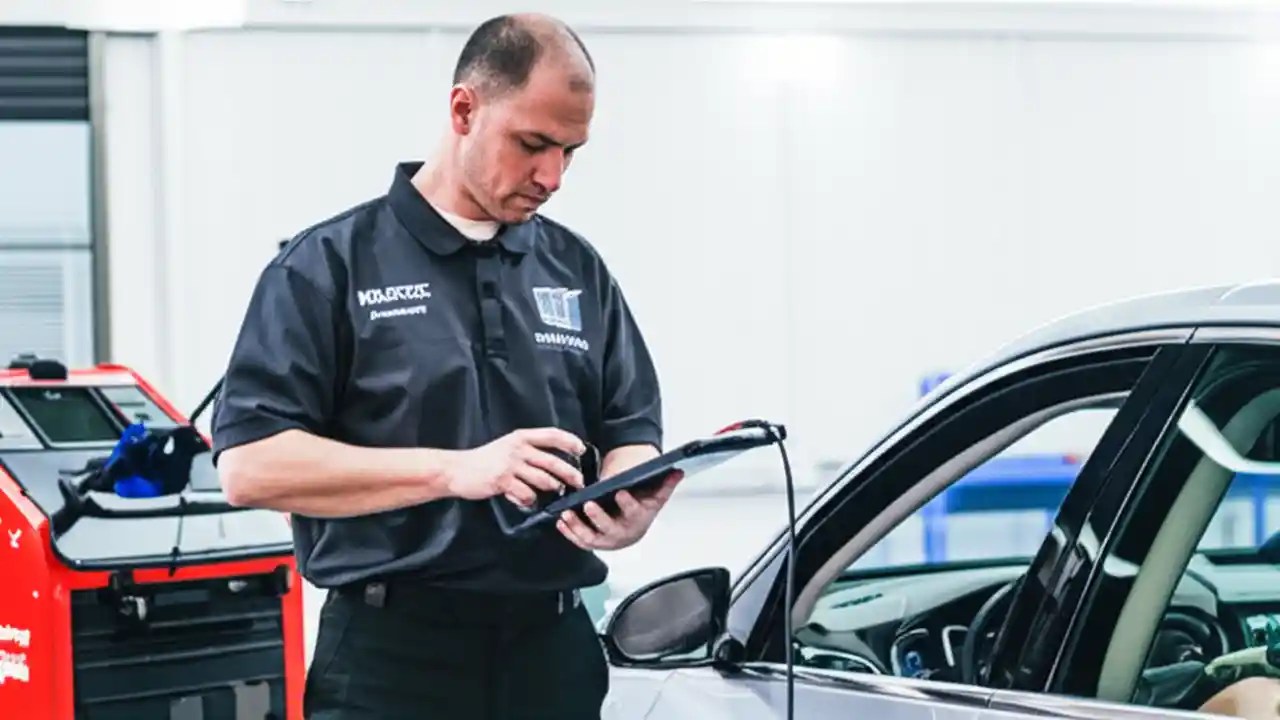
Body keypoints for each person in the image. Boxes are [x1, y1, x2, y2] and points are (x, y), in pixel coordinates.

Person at [211, 13, 680, 719]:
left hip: (553, 653)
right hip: (392, 661)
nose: (551, 176)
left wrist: (624, 502)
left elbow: (630, 426)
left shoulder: (575, 268)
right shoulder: (327, 267)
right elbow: (249, 467)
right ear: (464, 109)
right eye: (533, 144)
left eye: (570, 152)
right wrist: (456, 470)